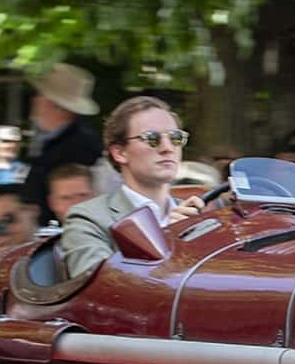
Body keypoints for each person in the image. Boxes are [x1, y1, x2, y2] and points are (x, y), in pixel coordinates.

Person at [59, 96, 202, 279]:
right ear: (120, 153)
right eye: (152, 138)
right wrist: (165, 239)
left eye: (175, 138)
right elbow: (98, 291)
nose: (168, 148)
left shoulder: (198, 218)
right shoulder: (89, 217)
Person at [19, 64, 104, 225]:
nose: (34, 100)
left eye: (40, 95)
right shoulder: (57, 140)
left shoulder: (80, 146)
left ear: (59, 107)